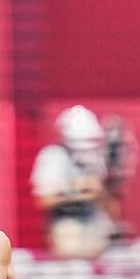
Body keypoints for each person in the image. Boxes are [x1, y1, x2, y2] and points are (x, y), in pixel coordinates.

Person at [30, 105, 114, 259]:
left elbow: (104, 195)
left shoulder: (95, 157)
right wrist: (74, 192)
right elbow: (44, 200)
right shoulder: (53, 157)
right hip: (67, 225)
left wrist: (96, 191)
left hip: (95, 221)